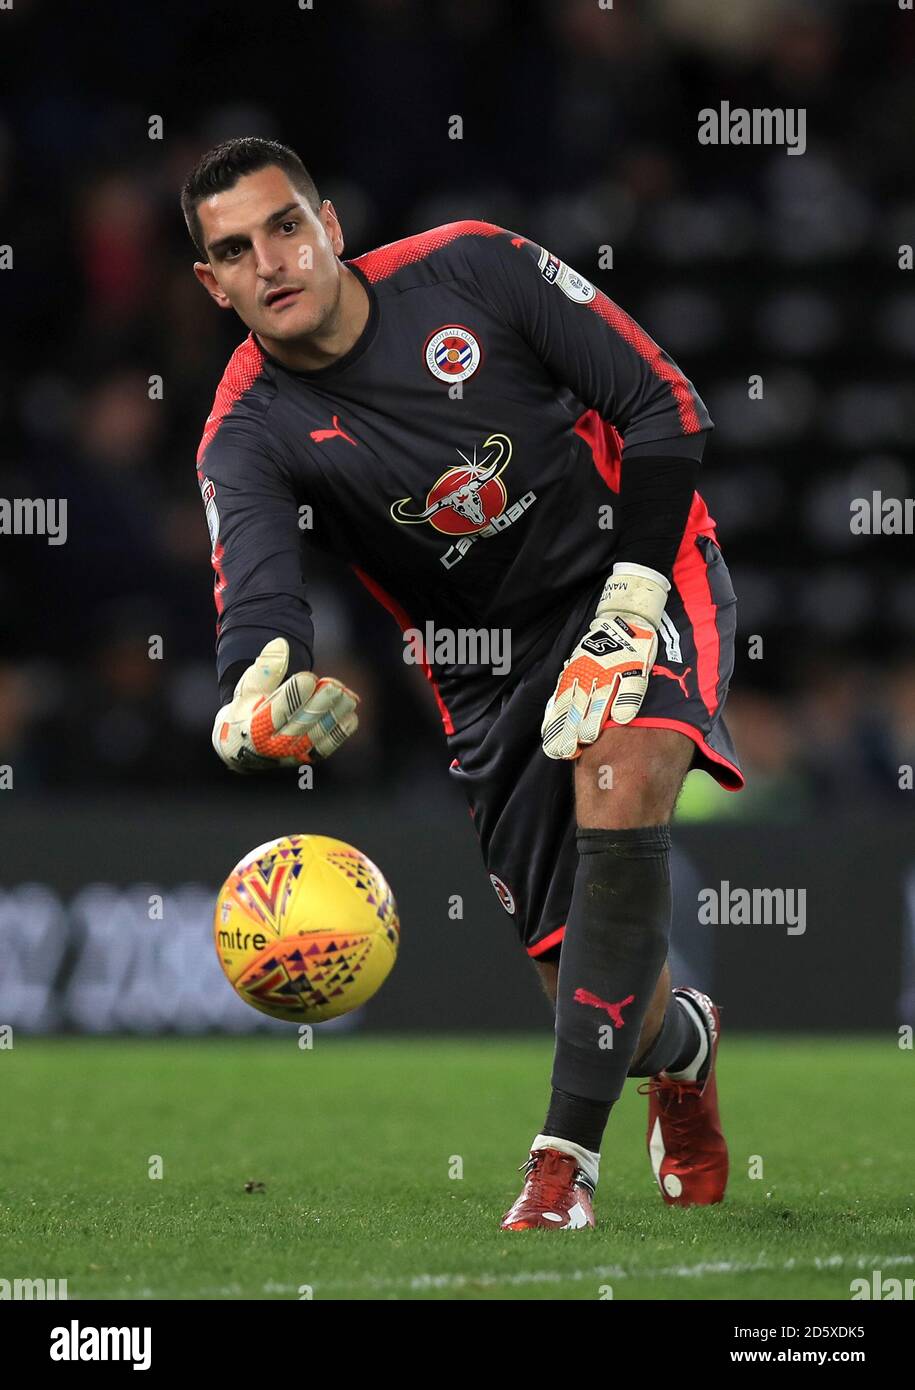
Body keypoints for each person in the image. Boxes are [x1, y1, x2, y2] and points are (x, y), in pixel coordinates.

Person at [182, 137, 741, 1230]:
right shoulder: (245, 432)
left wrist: (631, 602)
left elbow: (663, 403)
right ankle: (688, 1046)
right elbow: (258, 602)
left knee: (619, 777)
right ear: (214, 284)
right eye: (237, 250)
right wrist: (250, 709)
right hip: (487, 673)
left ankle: (561, 1164)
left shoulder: (474, 268)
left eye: (287, 225)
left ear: (331, 224)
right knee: (608, 1017)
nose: (274, 260)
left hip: (635, 575)